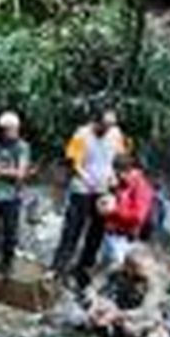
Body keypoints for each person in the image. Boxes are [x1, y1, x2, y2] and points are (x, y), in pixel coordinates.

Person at [51, 110, 128, 284]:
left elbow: (120, 156)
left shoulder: (116, 134)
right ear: (96, 121)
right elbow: (73, 160)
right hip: (82, 188)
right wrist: (85, 176)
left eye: (111, 126)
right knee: (72, 230)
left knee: (97, 231)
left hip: (104, 188)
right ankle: (58, 268)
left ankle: (84, 268)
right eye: (104, 126)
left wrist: (114, 176)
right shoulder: (82, 134)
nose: (107, 129)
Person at [86, 246, 170, 337]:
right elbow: (93, 286)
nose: (148, 273)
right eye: (141, 269)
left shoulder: (153, 283)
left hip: (142, 319)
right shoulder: (116, 269)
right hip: (118, 308)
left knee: (130, 329)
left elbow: (145, 311)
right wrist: (94, 302)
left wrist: (117, 315)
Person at [0, 111, 31, 275]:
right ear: (2, 130)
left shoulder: (22, 147)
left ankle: (7, 262)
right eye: (9, 129)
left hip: (12, 196)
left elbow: (21, 173)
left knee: (10, 231)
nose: (12, 132)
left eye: (14, 129)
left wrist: (0, 171)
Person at [100, 154, 156, 269]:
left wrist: (114, 210)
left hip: (123, 240)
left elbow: (138, 217)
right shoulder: (121, 183)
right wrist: (111, 191)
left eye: (117, 172)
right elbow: (117, 201)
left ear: (125, 171)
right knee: (103, 270)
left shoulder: (142, 187)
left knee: (112, 274)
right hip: (111, 235)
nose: (116, 175)